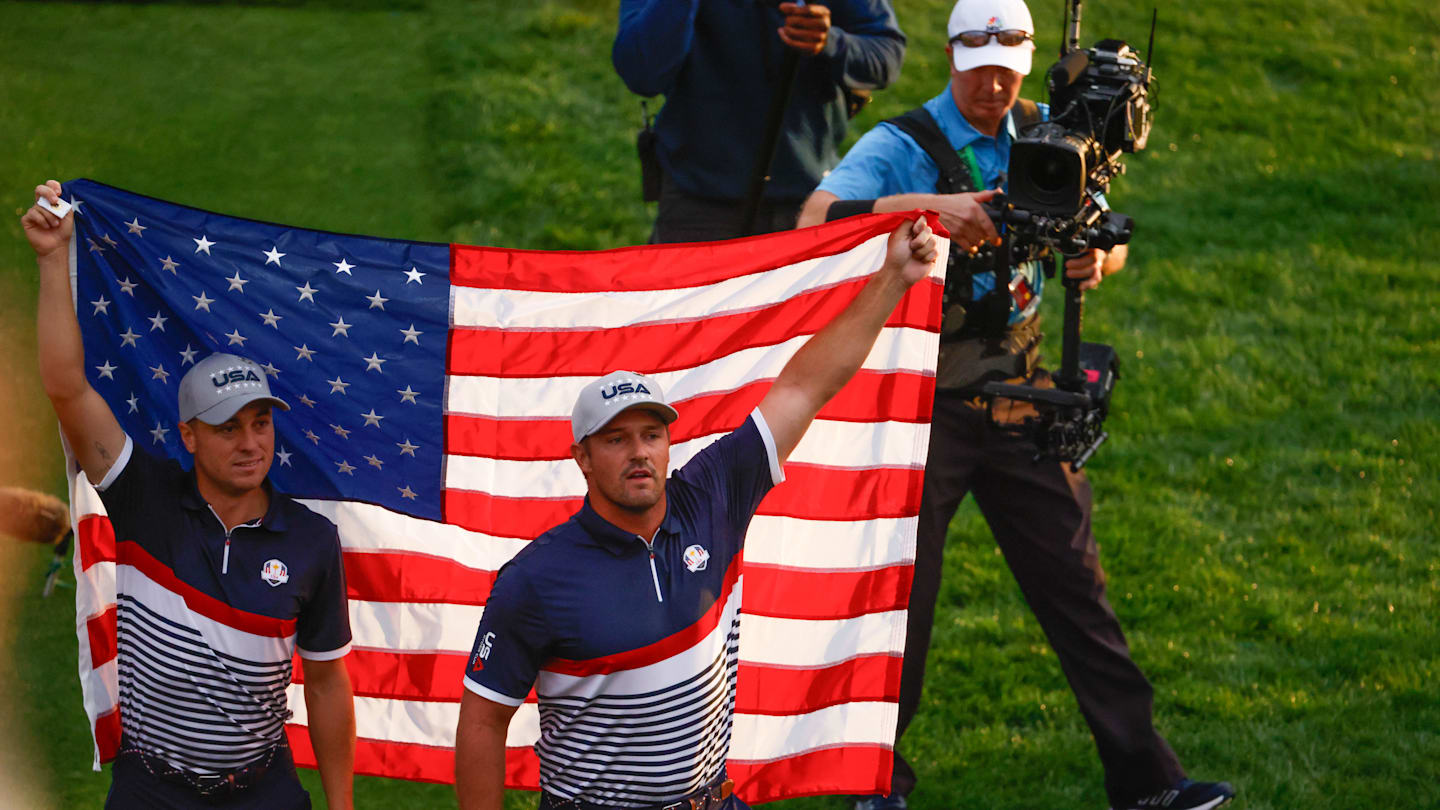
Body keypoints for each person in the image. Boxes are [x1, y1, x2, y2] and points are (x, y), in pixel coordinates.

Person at [796, 2, 1235, 809]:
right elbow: (816, 218)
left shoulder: (1051, 131)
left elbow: (1105, 226)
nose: (994, 90)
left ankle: (1149, 783)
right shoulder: (901, 147)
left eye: (1008, 74)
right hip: (925, 409)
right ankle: (874, 784)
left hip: (1027, 399)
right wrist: (929, 209)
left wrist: (1101, 263)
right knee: (900, 601)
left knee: (1079, 595)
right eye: (978, 73)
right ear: (952, 58)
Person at [453, 216, 940, 809]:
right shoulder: (533, 579)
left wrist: (894, 277)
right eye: (616, 440)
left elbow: (802, 389)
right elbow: (481, 725)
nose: (639, 452)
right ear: (582, 458)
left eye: (652, 434)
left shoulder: (714, 494)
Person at [22, 180, 356, 810]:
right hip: (152, 791)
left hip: (264, 792)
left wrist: (340, 805)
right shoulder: (142, 496)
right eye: (228, 427)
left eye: (260, 423)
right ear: (189, 436)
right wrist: (50, 258)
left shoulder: (313, 540)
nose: (251, 442)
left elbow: (328, 680)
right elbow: (67, 388)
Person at [613, 0, 906, 242]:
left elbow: (886, 56)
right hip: (698, 199)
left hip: (804, 199)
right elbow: (641, 71)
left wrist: (831, 43)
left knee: (797, 314)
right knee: (688, 311)